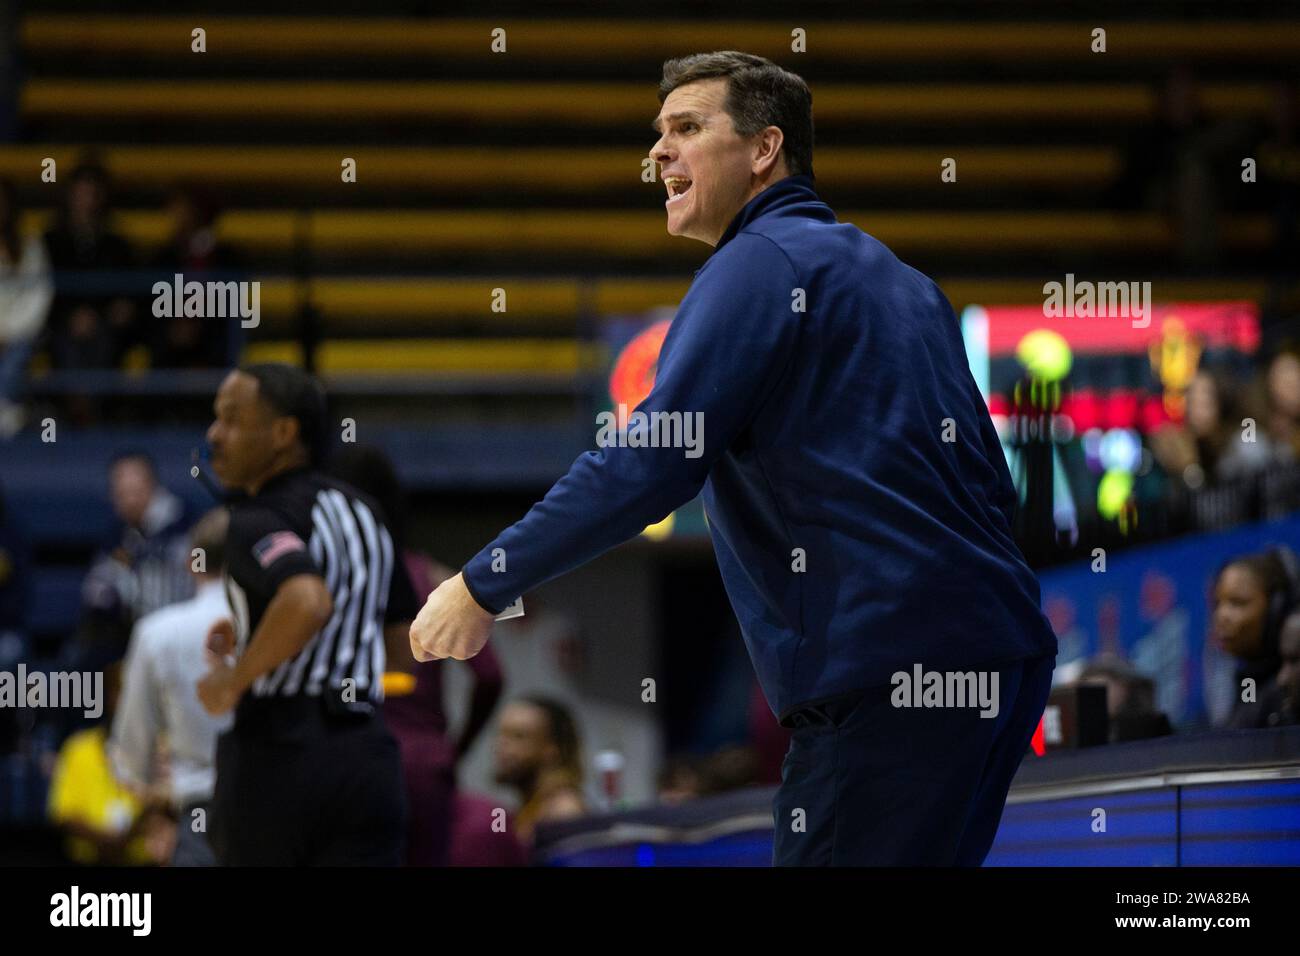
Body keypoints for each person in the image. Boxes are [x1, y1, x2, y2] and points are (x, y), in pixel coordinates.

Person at [408, 51, 1057, 866]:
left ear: (764, 150)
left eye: (686, 128)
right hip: (996, 659)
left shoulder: (758, 264)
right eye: (656, 135)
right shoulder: (902, 280)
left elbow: (650, 461)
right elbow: (991, 483)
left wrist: (483, 581)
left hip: (885, 674)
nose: (657, 153)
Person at [198, 363, 417, 865]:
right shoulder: (364, 511)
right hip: (369, 754)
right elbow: (402, 647)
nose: (215, 435)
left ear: (283, 433)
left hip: (279, 758)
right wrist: (253, 627)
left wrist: (235, 679)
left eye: (231, 419)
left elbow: (307, 601)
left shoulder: (254, 519)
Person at [329, 444, 505, 866]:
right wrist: (452, 748)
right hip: (423, 764)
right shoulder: (435, 580)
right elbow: (491, 676)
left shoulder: (324, 582)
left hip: (349, 759)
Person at [110, 508, 234, 866]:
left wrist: (154, 780)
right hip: (275, 810)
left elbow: (132, 752)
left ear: (192, 564)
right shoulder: (280, 625)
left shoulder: (156, 632)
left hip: (199, 813)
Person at [1209, 548, 1299, 729]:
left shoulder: (1289, 687)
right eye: (1218, 603)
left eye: (1237, 603)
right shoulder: (1249, 683)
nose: (1221, 616)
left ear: (1276, 608)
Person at [492, 696, 586, 846]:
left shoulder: (563, 811)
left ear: (552, 750)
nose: (501, 746)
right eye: (501, 734)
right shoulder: (531, 808)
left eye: (518, 736)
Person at [0, 176, 54, 438]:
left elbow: (39, 295)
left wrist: (9, 332)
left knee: (16, 354)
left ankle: (5, 417)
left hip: (22, 333)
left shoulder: (30, 246)